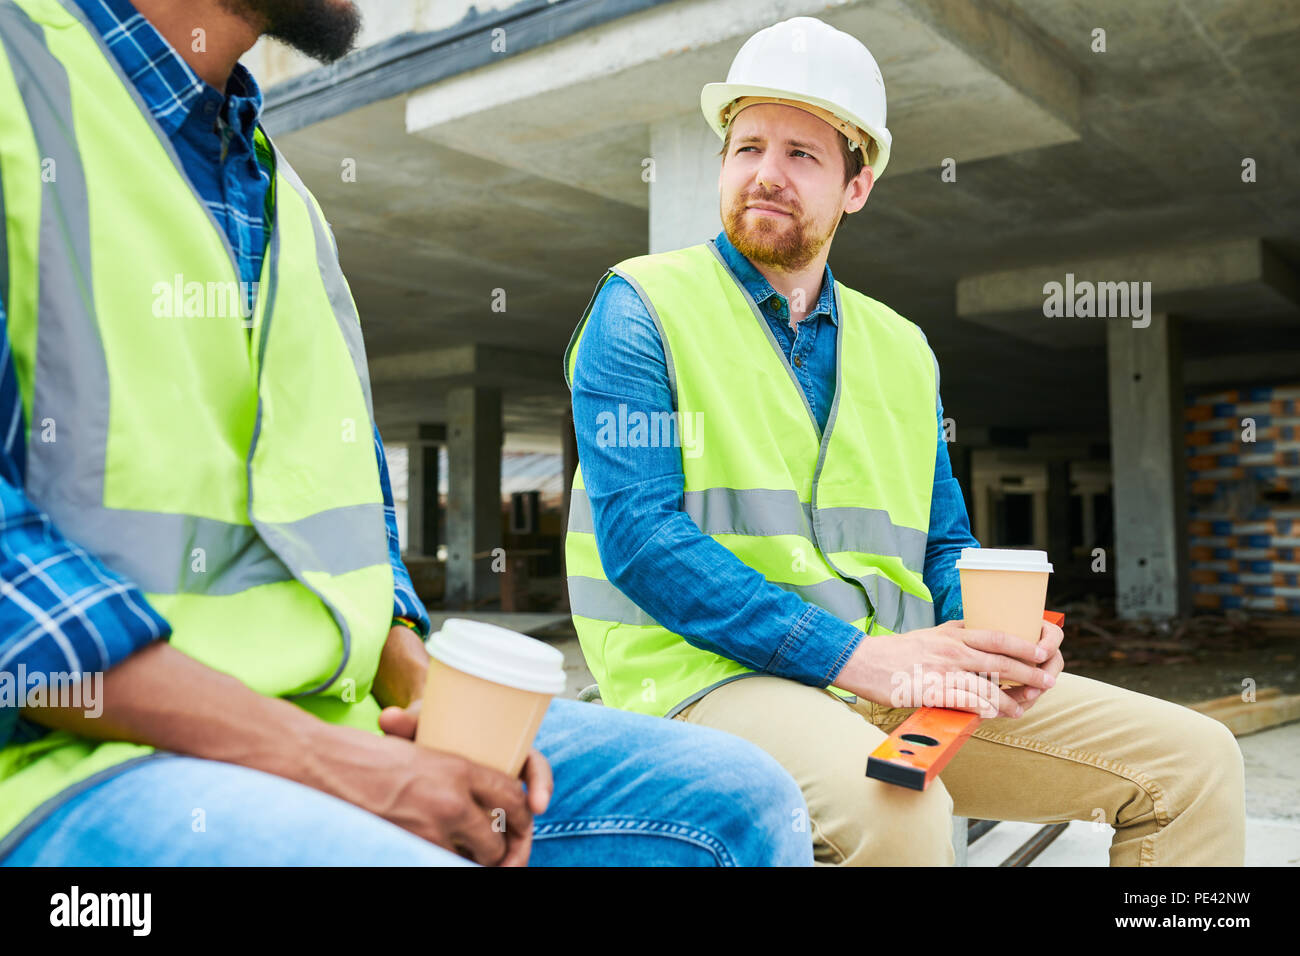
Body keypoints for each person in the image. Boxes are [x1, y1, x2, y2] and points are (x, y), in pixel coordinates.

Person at [0, 0, 813, 868]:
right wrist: (329, 762)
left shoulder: (288, 205)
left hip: (336, 714)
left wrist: (431, 695)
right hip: (66, 760)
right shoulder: (21, 83)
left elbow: (345, 527)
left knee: (741, 805)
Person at [565, 15, 1246, 866]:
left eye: (802, 155)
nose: (766, 176)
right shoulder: (641, 309)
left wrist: (994, 633)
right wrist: (855, 657)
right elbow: (640, 539)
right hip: (704, 680)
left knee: (1195, 764)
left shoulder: (900, 347)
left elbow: (943, 542)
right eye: (747, 148)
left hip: (889, 675)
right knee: (897, 807)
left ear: (858, 185)